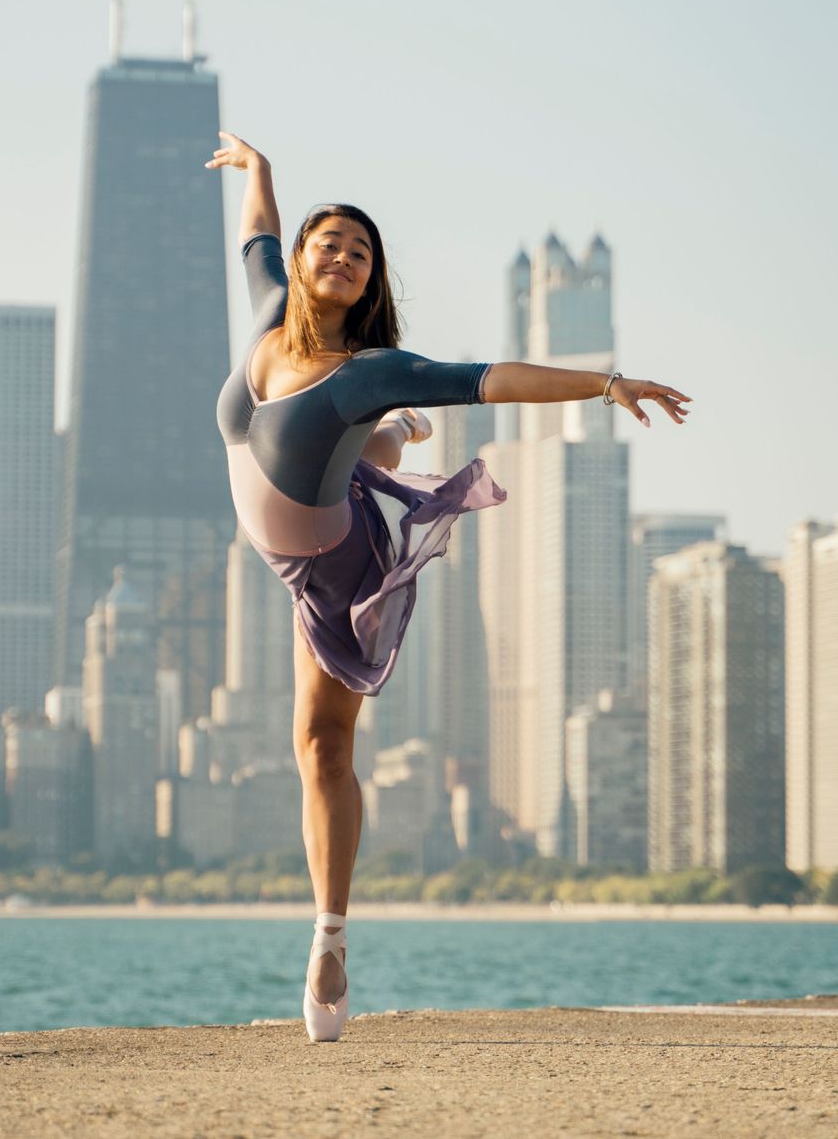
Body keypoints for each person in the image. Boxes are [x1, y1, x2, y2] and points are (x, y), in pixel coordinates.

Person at [207, 130, 691, 1041]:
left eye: (362, 251)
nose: (344, 255)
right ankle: (390, 442)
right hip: (298, 531)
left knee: (321, 749)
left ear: (371, 279)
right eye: (332, 243)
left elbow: (489, 378)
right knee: (371, 456)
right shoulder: (270, 313)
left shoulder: (373, 366)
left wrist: (605, 382)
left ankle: (330, 937)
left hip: (331, 561)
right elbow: (258, 237)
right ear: (307, 261)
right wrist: (261, 172)